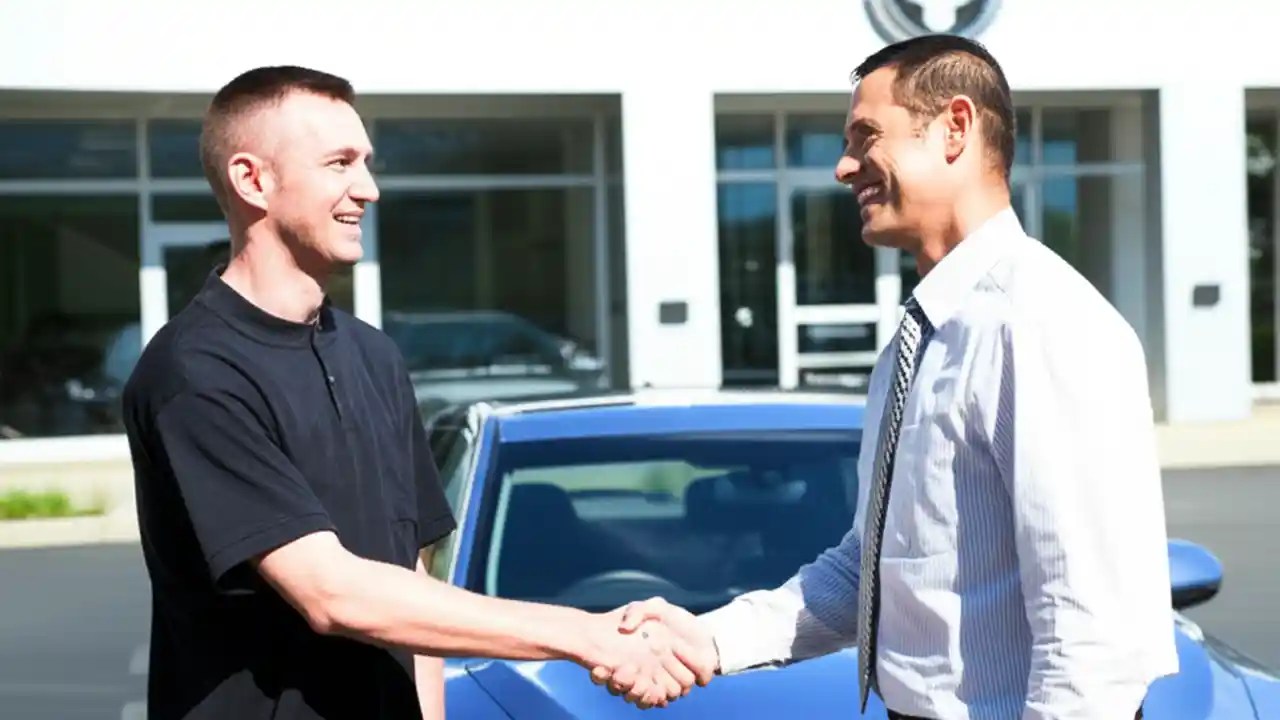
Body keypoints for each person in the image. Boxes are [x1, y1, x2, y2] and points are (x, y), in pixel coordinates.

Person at [600, 34, 1179, 719]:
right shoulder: (921, 339)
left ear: (955, 128)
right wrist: (708, 639)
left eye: (866, 137)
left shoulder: (1043, 325)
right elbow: (871, 571)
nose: (844, 168)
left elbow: (1095, 638)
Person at [122, 65, 706, 720]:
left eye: (366, 163)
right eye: (339, 163)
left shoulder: (373, 357)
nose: (367, 189)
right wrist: (585, 635)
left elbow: (414, 576)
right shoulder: (196, 374)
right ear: (252, 180)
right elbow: (332, 594)